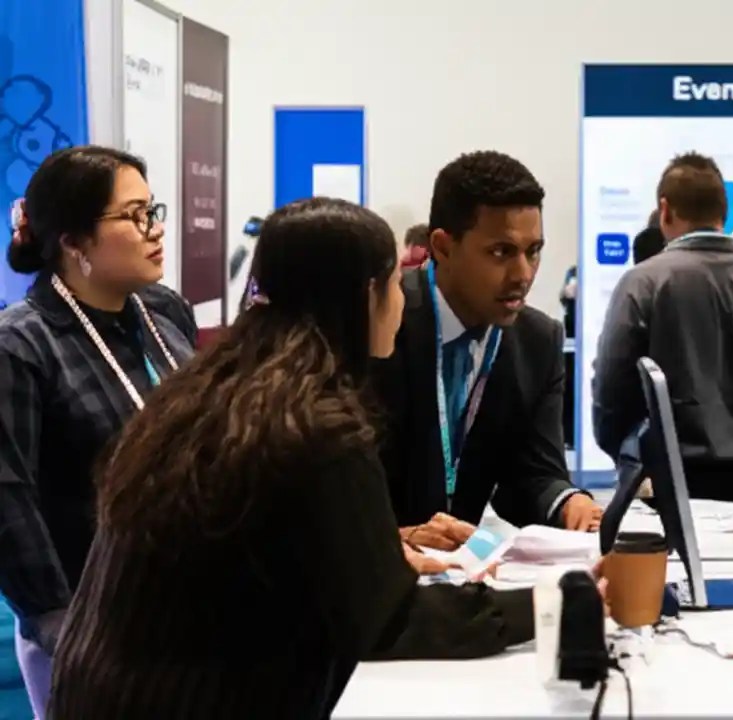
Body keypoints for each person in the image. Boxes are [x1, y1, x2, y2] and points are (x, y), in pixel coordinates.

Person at [47, 198, 549, 720]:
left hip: (100, 691)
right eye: (395, 284)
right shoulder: (316, 424)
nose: (403, 303)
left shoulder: (214, 388)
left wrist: (374, 547)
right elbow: (388, 622)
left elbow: (246, 545)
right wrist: (552, 604)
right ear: (365, 295)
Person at [0, 146, 195, 719]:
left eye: (152, 210)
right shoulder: (21, 345)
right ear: (74, 241)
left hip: (195, 605)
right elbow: (8, 496)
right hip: (96, 630)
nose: (155, 229)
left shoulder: (163, 314)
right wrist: (62, 625)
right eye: (134, 216)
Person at [376, 151, 600, 533]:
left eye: (534, 252)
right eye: (502, 252)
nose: (523, 274)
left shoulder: (537, 341)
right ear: (443, 247)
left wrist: (568, 502)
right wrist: (392, 542)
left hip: (460, 571)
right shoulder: (381, 324)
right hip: (374, 568)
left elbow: (532, 475)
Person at [594, 152, 733, 506]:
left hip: (670, 474)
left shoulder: (644, 282)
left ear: (665, 210)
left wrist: (627, 455)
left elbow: (612, 384)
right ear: (726, 211)